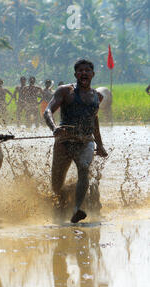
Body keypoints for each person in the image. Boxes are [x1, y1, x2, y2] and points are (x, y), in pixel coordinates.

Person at [44, 59, 108, 223]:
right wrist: (54, 129)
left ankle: (76, 209)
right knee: (56, 186)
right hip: (64, 141)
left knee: (84, 168)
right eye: (80, 71)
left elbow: (94, 121)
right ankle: (66, 197)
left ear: (92, 74)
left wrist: (99, 145)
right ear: (75, 75)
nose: (84, 73)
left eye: (87, 70)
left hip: (85, 141)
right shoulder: (65, 91)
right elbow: (48, 111)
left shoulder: (97, 96)